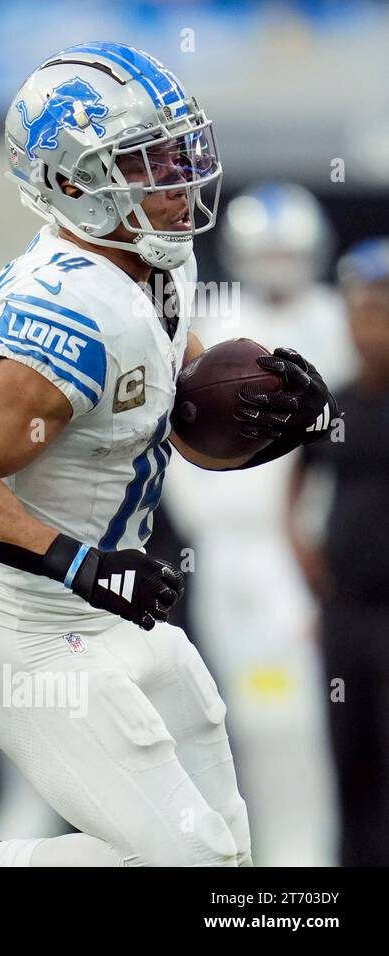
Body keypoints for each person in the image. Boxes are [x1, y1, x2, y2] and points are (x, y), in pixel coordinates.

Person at [0, 42, 341, 867]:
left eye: (178, 151)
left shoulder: (156, 264)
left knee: (229, 860)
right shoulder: (74, 312)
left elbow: (167, 411)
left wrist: (267, 415)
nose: (177, 179)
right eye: (145, 161)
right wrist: (80, 563)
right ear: (70, 184)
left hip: (121, 605)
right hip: (33, 629)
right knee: (191, 861)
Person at [160, 182, 351, 864]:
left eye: (288, 254)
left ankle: (305, 863)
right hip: (216, 549)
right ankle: (247, 862)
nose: (276, 267)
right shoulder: (221, 318)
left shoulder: (336, 319)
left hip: (293, 549)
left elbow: (336, 452)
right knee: (218, 720)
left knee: (291, 721)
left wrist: (323, 549)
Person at [289, 237, 389, 866]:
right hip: (347, 613)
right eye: (360, 311)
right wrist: (312, 573)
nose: (368, 328)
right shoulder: (335, 407)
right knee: (348, 759)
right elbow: (294, 491)